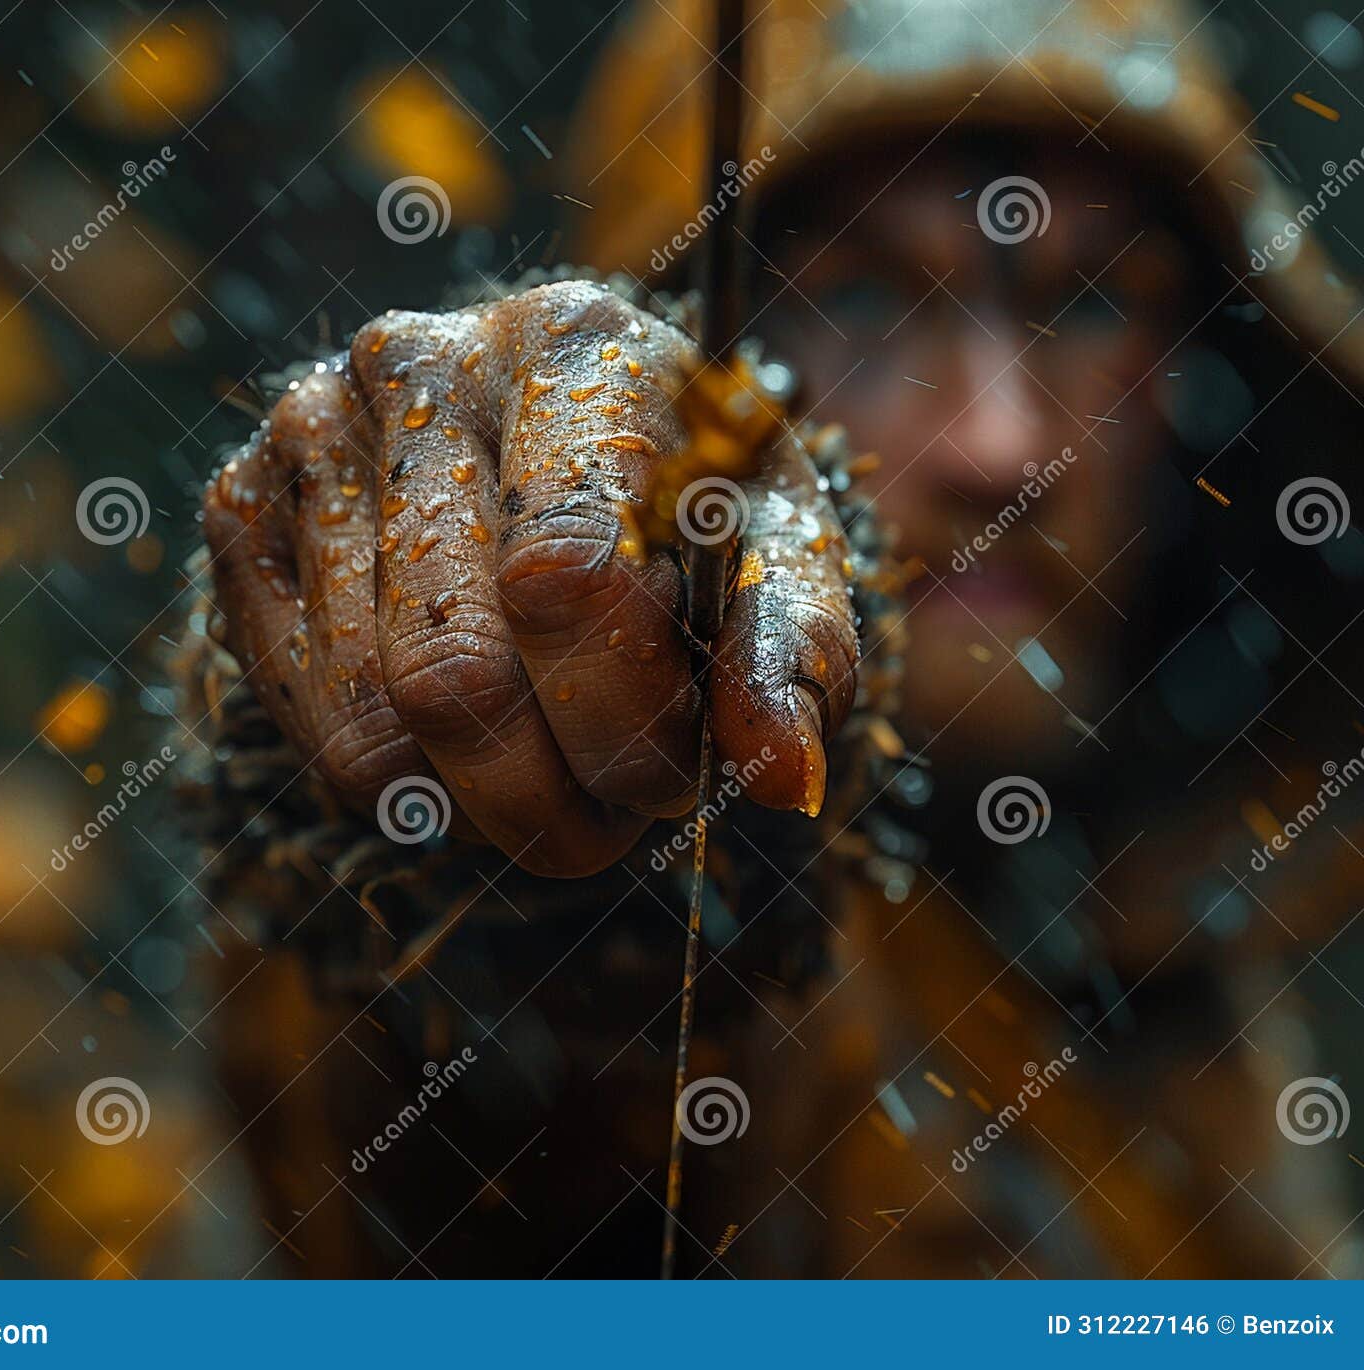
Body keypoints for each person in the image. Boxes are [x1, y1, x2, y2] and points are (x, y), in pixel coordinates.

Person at [175, 0, 1364, 1276]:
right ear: (692, 337)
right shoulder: (700, 974)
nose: (999, 447)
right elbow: (532, 1042)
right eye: (858, 292)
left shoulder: (1175, 955)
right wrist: (525, 731)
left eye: (1089, 302)